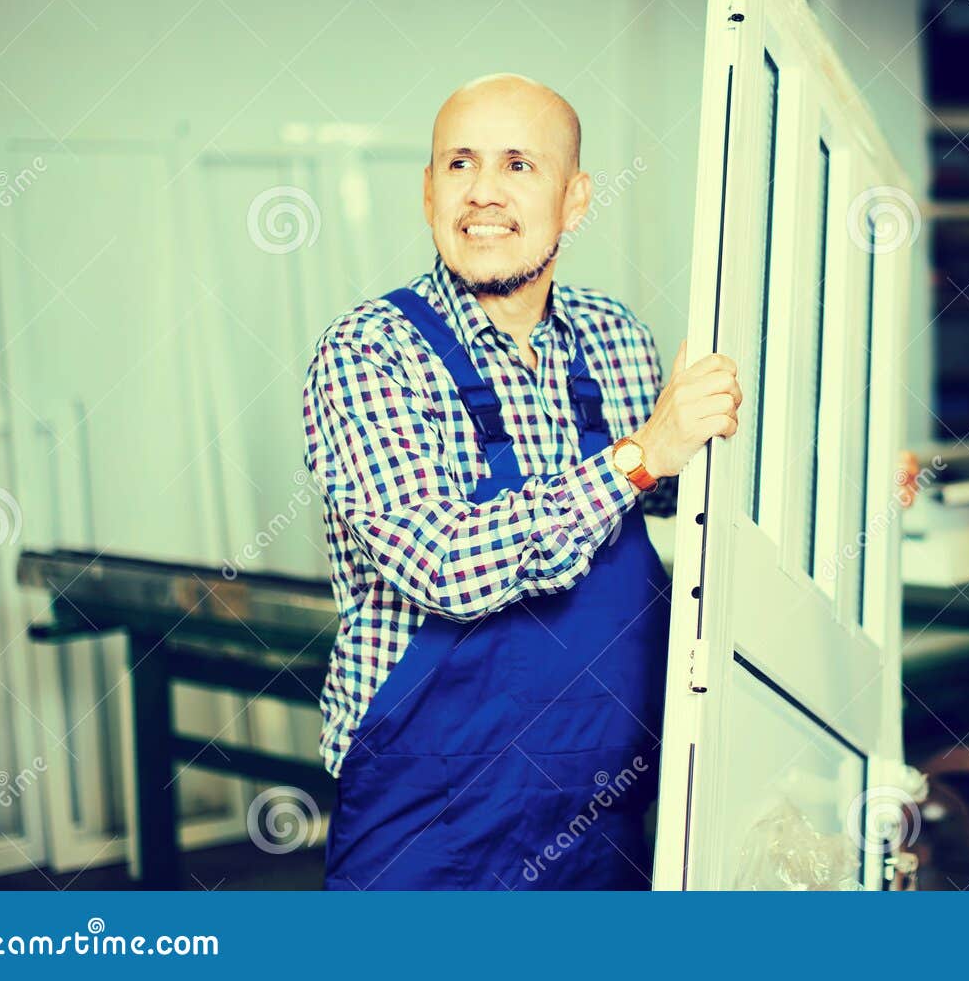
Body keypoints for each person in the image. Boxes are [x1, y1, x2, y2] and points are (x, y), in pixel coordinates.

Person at [304, 73, 741, 890]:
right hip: (428, 818)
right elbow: (445, 565)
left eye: (517, 166)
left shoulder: (614, 337)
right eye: (460, 166)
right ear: (429, 192)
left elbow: (667, 492)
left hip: (598, 806)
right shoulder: (369, 353)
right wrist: (643, 451)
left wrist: (807, 468)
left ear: (574, 201)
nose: (484, 195)